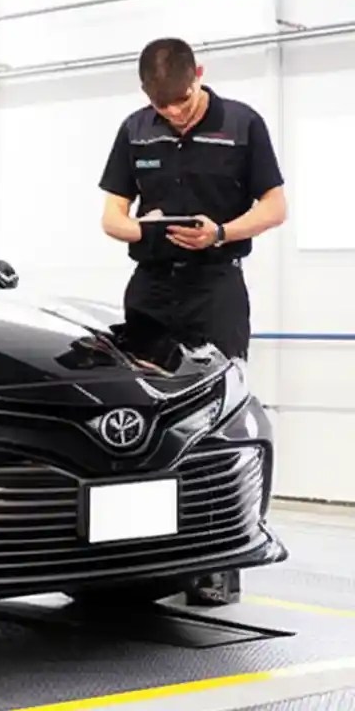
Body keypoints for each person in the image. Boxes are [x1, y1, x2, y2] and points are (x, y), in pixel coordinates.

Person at [96, 37, 287, 606]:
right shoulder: (135, 130)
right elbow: (111, 217)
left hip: (215, 286)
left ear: (198, 74)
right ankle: (141, 555)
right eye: (162, 106)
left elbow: (274, 207)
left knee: (218, 421)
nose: (173, 113)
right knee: (142, 417)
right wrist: (143, 227)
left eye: (180, 102)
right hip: (152, 289)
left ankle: (218, 562)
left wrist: (221, 232)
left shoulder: (243, 125)